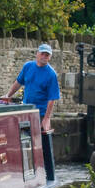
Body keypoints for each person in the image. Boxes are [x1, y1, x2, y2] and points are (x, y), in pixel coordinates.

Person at [6, 42, 61, 180]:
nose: (44, 56)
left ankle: (43, 175)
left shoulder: (51, 74)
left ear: (49, 58)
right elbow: (18, 82)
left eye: (47, 55)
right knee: (23, 142)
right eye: (42, 53)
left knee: (39, 145)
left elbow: (52, 98)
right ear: (37, 54)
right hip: (26, 110)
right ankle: (25, 171)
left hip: (40, 113)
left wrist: (47, 118)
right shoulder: (28, 66)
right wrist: (7, 96)